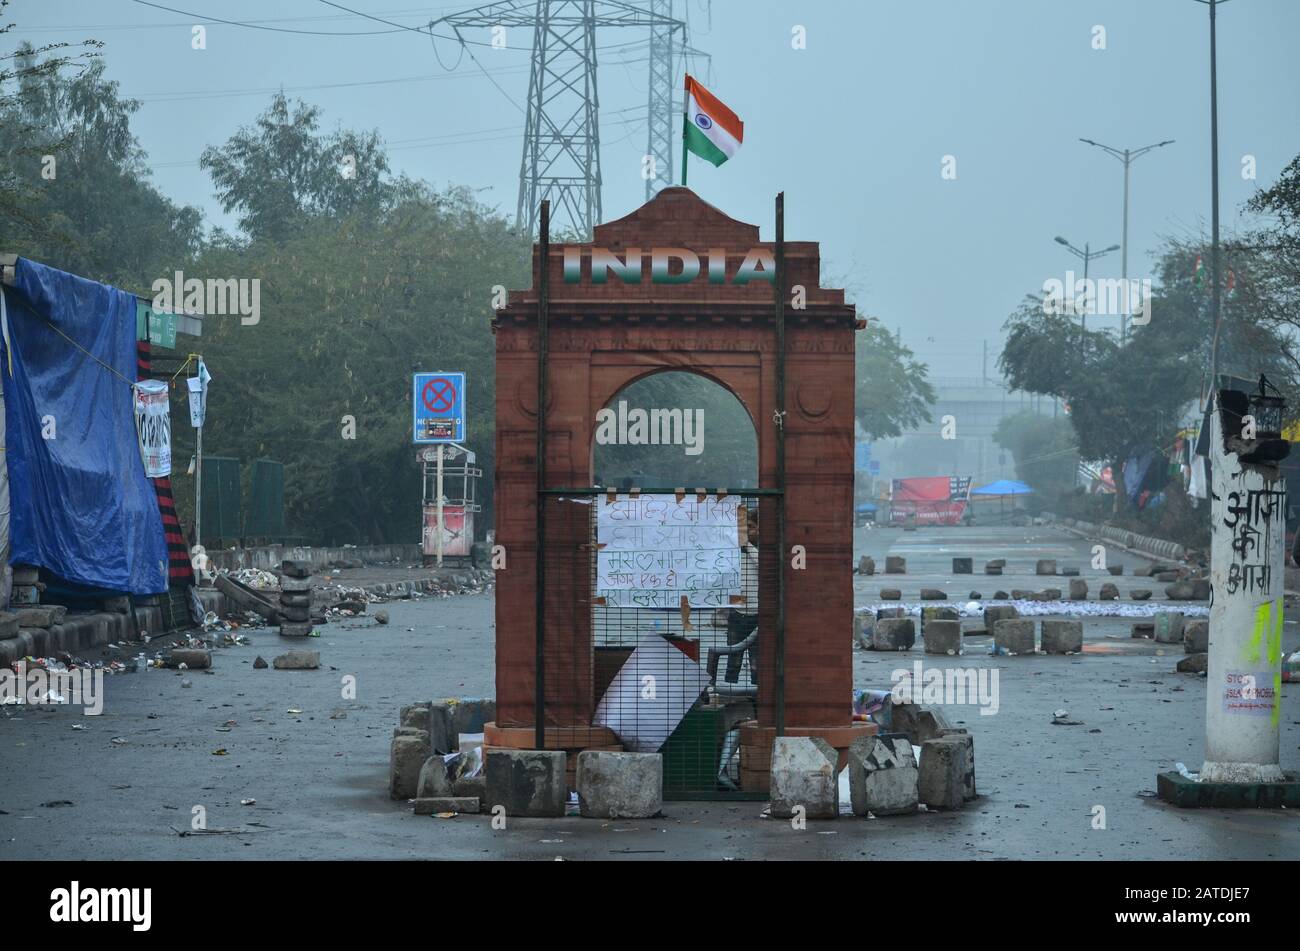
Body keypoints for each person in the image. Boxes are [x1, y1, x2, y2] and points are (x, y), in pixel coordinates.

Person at [724, 508, 759, 684]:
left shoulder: (759, 551)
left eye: (751, 527)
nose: (747, 531)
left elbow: (764, 566)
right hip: (737, 615)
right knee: (733, 661)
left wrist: (748, 546)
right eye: (744, 528)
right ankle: (730, 696)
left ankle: (756, 700)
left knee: (756, 664)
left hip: (757, 617)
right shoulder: (734, 551)